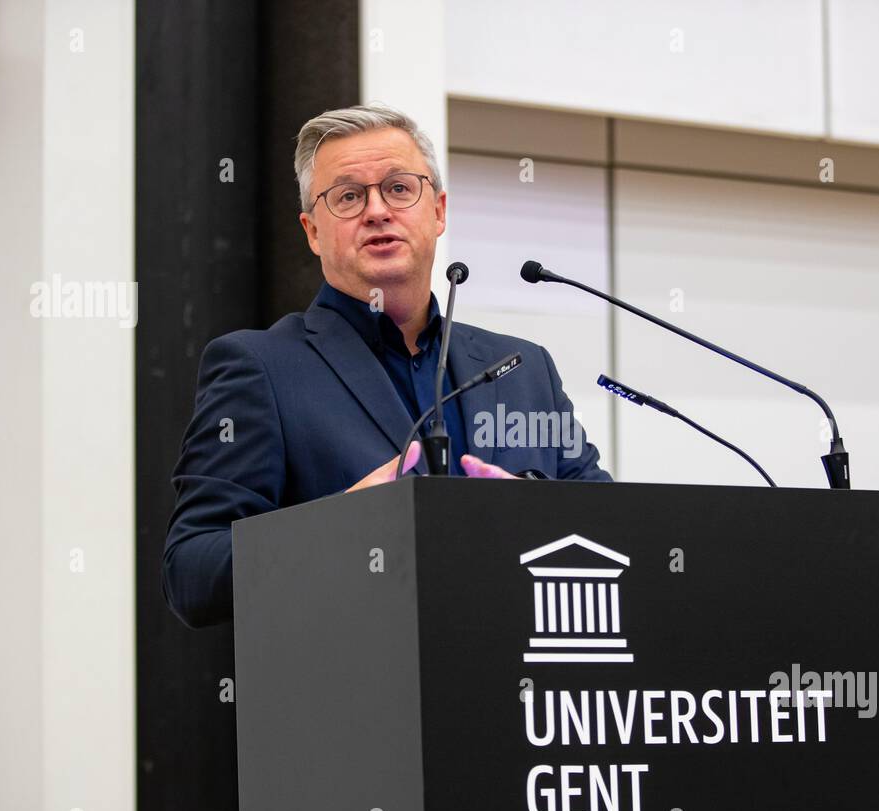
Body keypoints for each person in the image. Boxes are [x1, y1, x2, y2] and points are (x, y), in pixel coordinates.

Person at [162, 104, 612, 629]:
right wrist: (339, 527)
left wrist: (529, 517)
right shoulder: (259, 368)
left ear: (438, 211)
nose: (377, 211)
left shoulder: (523, 369)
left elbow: (609, 532)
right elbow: (191, 573)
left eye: (399, 188)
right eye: (349, 196)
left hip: (523, 691)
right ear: (311, 231)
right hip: (363, 695)